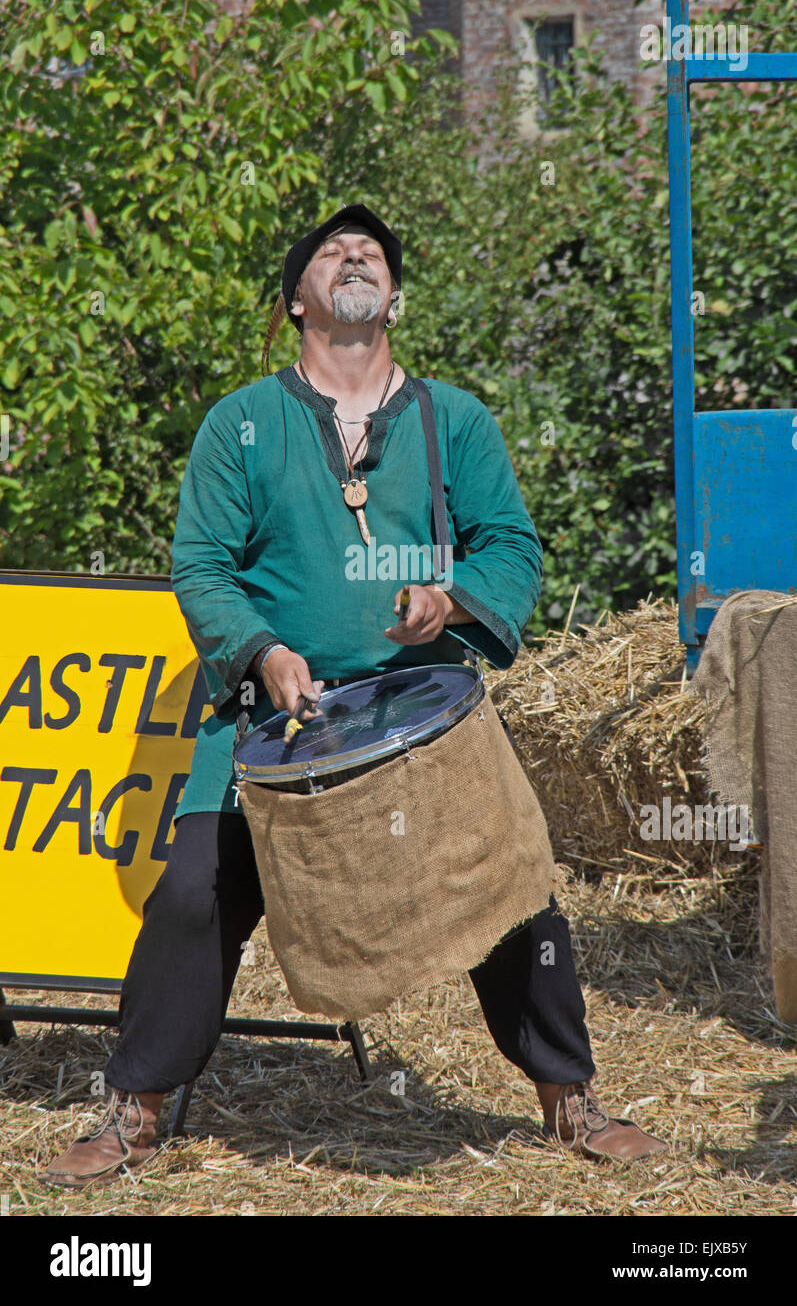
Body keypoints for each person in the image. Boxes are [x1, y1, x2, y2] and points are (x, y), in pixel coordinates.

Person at [41, 203, 666, 1187]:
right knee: (190, 892)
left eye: (371, 250)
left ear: (394, 298)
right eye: (330, 251)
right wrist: (260, 650)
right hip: (268, 721)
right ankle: (133, 1111)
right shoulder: (239, 423)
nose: (354, 253)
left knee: (516, 892)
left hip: (421, 719)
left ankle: (568, 1098)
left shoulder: (450, 419)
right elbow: (200, 565)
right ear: (297, 300)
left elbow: (511, 545)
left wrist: (450, 595)